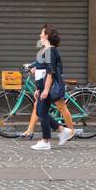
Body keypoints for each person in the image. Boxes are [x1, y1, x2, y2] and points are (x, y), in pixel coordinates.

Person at [30, 24, 74, 152]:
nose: (40, 35)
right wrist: (38, 87)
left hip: (47, 87)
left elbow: (50, 72)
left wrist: (45, 90)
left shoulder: (50, 51)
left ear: (46, 35)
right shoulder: (46, 50)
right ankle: (62, 130)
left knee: (42, 112)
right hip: (43, 86)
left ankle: (46, 141)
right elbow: (42, 68)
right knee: (40, 111)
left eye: (41, 33)